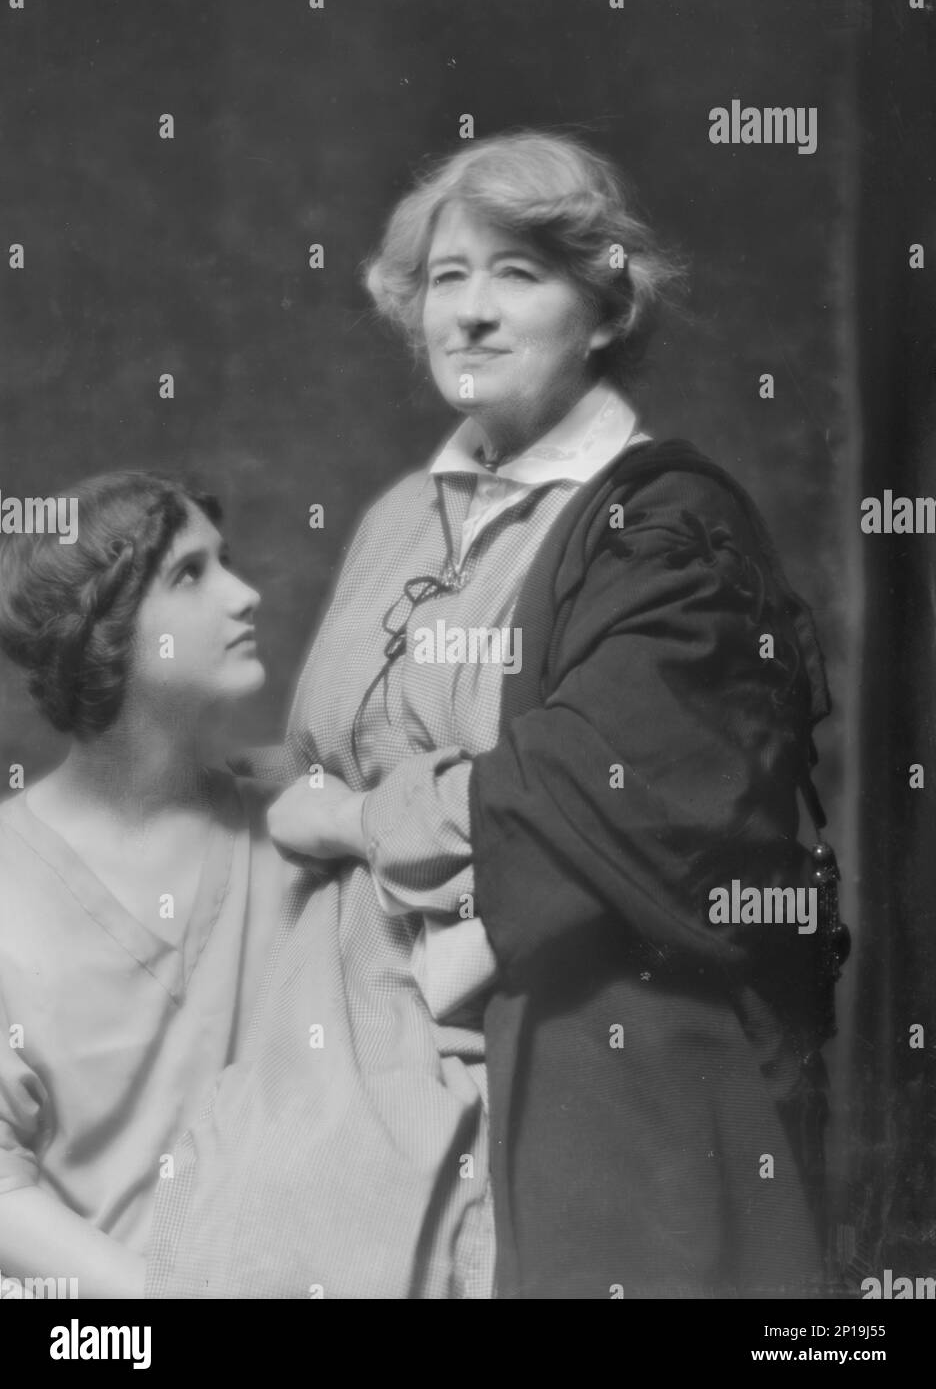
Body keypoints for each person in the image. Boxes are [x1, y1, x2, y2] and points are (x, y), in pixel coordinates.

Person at [145, 130, 844, 1299]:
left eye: (518, 275)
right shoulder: (399, 520)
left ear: (607, 310)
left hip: (536, 1067)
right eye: (445, 279)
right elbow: (336, 757)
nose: (467, 313)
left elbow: (583, 810)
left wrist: (355, 825)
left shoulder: (668, 533)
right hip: (321, 1062)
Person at [0, 472, 286, 1297]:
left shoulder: (295, 825)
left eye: (225, 559)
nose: (247, 594)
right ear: (106, 628)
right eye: (191, 574)